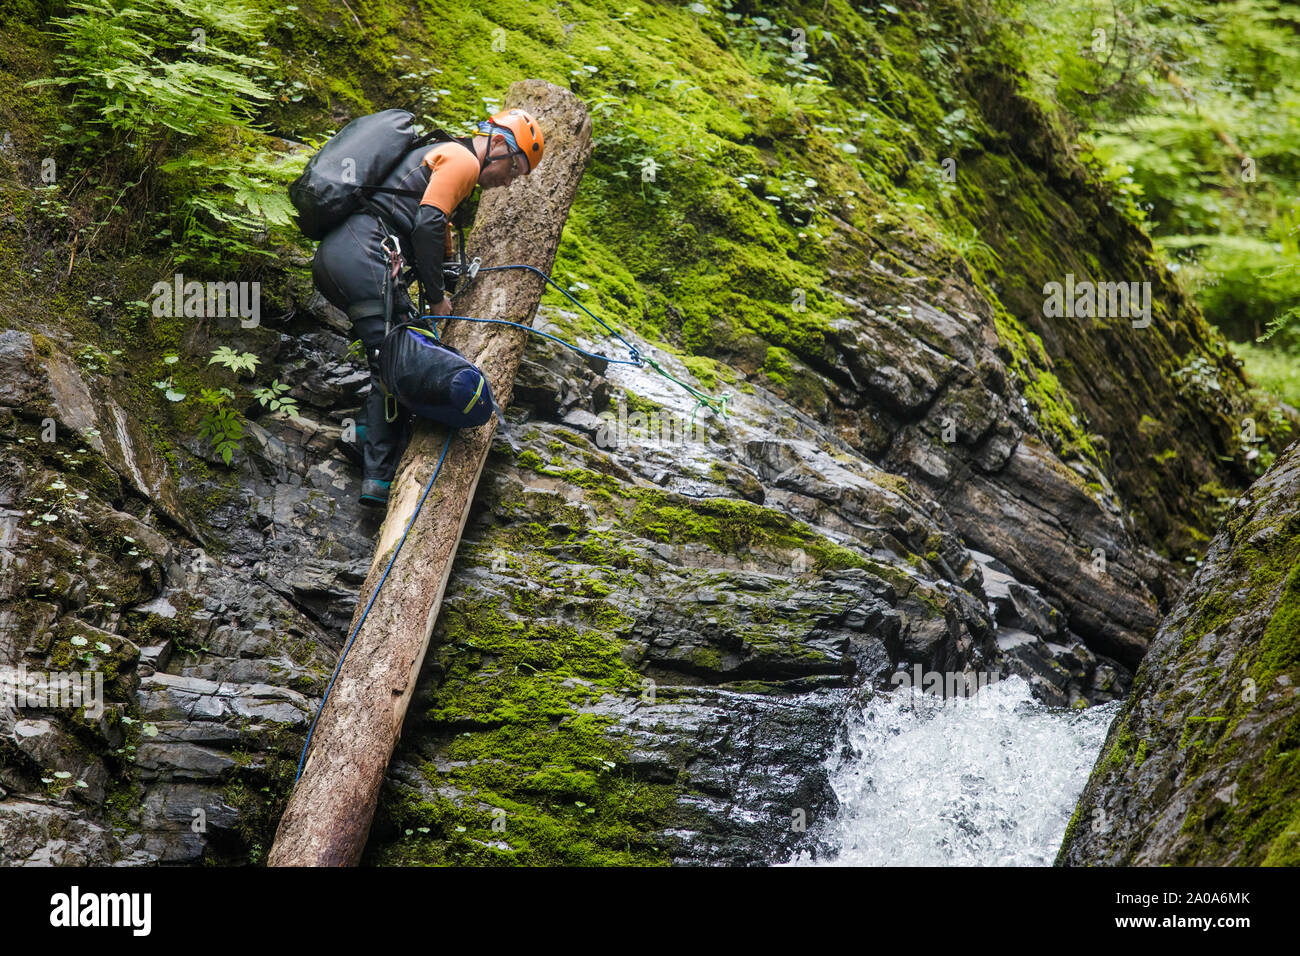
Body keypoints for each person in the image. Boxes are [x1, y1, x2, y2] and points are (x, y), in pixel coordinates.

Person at [312, 108, 545, 507]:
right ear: (499, 145)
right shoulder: (464, 160)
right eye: (514, 169)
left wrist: (448, 270)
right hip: (364, 257)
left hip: (344, 255)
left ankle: (366, 434)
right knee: (399, 353)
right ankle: (379, 479)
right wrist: (438, 296)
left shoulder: (445, 157)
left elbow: (438, 224)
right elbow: (428, 223)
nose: (508, 181)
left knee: (385, 353)